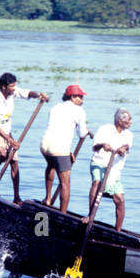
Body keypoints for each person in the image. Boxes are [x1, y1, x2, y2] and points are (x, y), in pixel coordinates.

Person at [0, 71, 49, 205]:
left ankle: (16, 197)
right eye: (11, 87)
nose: (14, 89)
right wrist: (11, 141)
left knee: (14, 162)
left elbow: (26, 93)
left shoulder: (12, 93)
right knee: (2, 155)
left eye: (14, 86)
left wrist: (38, 95)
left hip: (7, 132)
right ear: (3, 87)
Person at [40, 84, 90, 213]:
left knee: (51, 165)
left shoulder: (56, 107)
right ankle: (62, 214)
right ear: (72, 97)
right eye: (80, 97)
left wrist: (68, 152)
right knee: (65, 183)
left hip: (45, 145)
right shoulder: (79, 111)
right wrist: (87, 131)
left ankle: (48, 198)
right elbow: (82, 133)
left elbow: (57, 127)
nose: (82, 100)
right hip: (58, 148)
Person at [88, 108, 133, 230]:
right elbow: (95, 146)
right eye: (129, 120)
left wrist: (123, 148)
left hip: (114, 170)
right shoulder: (105, 129)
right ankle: (90, 216)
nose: (131, 123)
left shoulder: (128, 134)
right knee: (97, 183)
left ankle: (118, 230)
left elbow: (127, 146)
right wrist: (103, 145)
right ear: (120, 120)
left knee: (120, 199)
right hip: (99, 163)